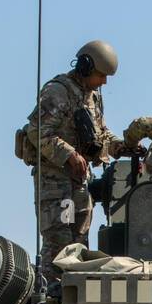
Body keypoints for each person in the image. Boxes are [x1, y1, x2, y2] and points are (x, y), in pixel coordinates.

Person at [17, 40, 123, 279]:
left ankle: (72, 289)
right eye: (100, 75)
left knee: (78, 242)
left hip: (80, 181)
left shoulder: (93, 96)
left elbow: (100, 132)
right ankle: (52, 294)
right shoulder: (57, 91)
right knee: (58, 241)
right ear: (85, 67)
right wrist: (69, 154)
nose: (104, 82)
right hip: (55, 181)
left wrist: (119, 146)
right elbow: (38, 131)